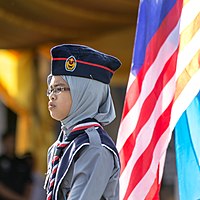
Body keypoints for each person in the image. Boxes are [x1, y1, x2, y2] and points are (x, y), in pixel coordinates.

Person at [44, 44, 121, 200]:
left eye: (59, 88)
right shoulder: (59, 147)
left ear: (85, 93)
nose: (52, 96)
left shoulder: (93, 147)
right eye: (51, 89)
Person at [0, 131, 32, 200]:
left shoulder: (22, 163)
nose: (12, 144)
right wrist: (19, 198)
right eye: (9, 141)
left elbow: (28, 183)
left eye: (13, 141)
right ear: (4, 142)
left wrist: (25, 198)